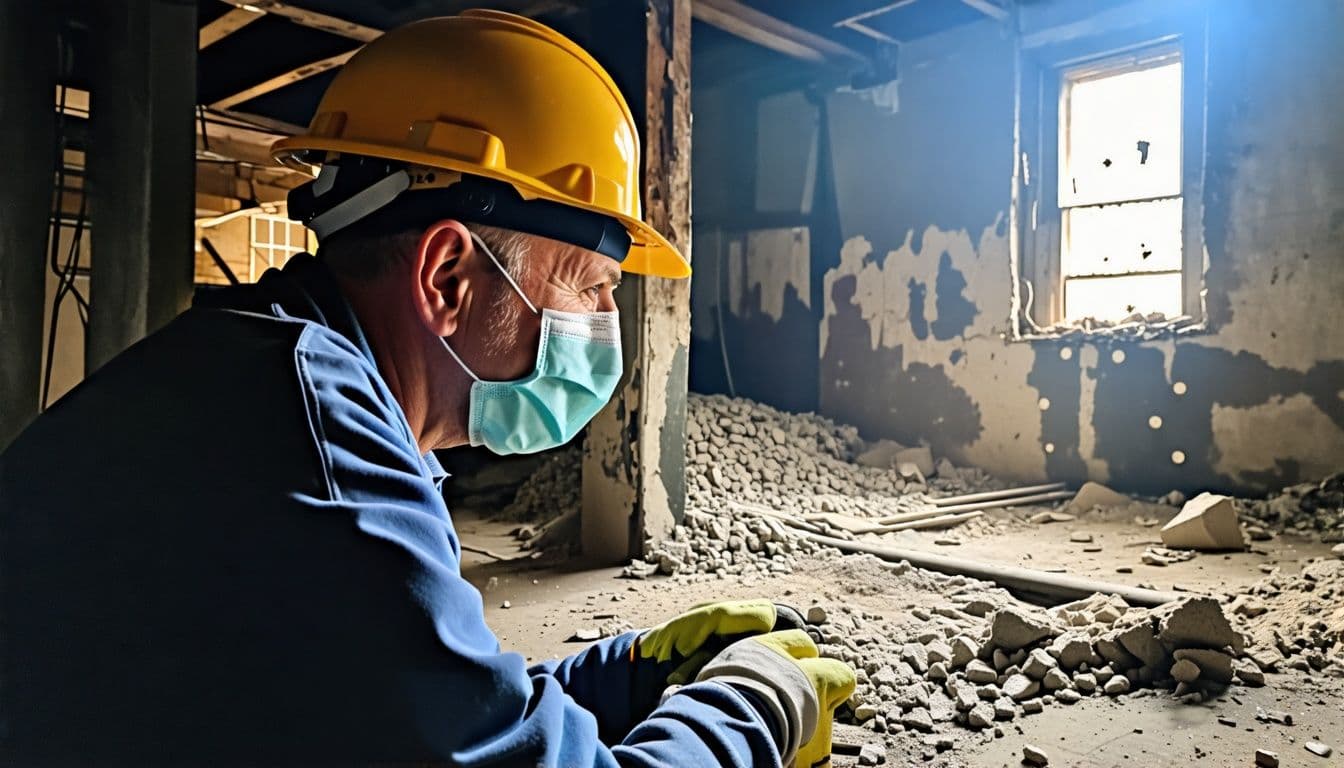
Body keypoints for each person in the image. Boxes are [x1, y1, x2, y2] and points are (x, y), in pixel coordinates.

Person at [0, 10, 853, 766]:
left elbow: (410, 702)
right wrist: (752, 708)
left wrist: (626, 678)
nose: (604, 320)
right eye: (590, 283)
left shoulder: (272, 376)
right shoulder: (318, 449)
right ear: (447, 278)